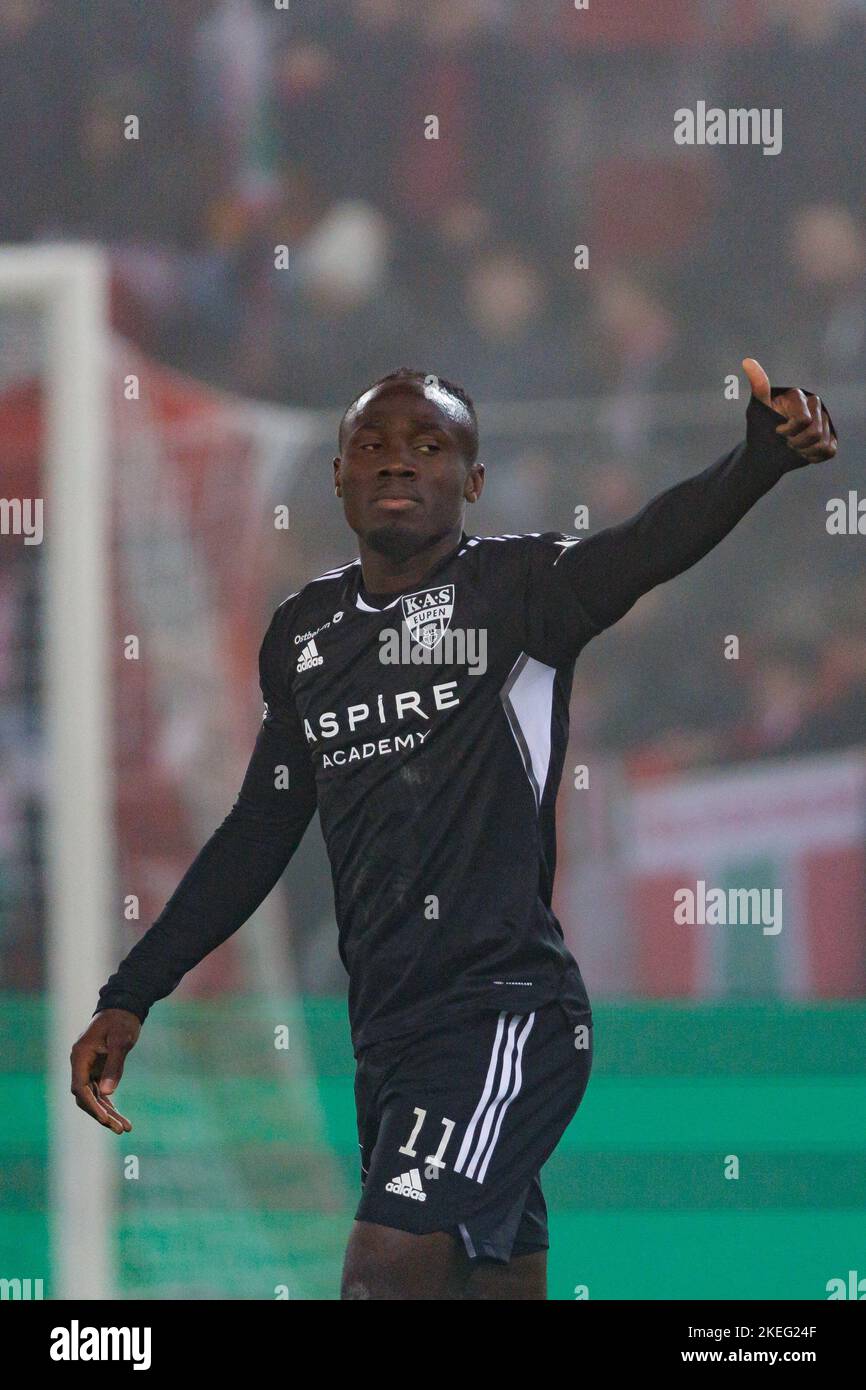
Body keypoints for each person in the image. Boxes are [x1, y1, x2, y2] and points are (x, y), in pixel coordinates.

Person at [70, 358, 837, 1300]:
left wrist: (753, 465)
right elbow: (262, 825)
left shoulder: (522, 590)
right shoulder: (304, 635)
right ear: (340, 477)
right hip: (388, 1037)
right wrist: (133, 991)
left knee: (382, 1277)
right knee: (489, 1292)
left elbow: (648, 543)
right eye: (375, 446)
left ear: (472, 482)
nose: (399, 463)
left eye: (429, 447)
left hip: (504, 1012)